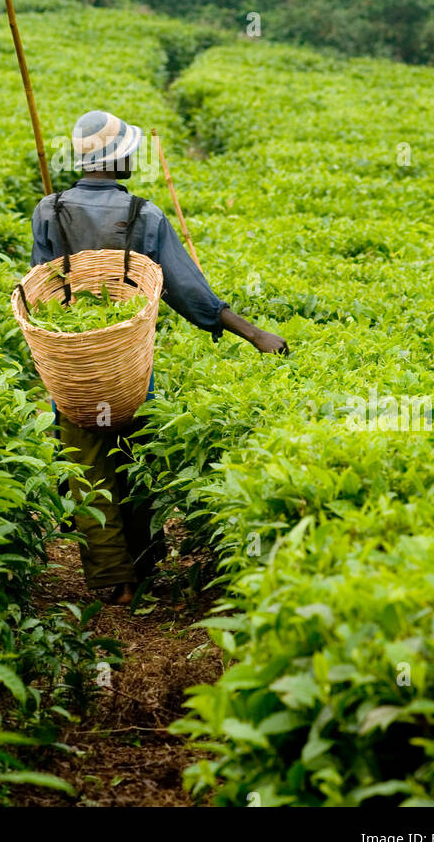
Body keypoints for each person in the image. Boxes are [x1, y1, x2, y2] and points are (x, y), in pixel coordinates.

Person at [30, 109, 288, 606]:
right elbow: (186, 290)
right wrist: (252, 333)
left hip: (73, 363)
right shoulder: (144, 216)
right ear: (117, 157)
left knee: (87, 469)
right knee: (134, 457)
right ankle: (144, 563)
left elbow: (42, 283)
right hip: (128, 365)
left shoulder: (49, 209)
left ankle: (112, 580)